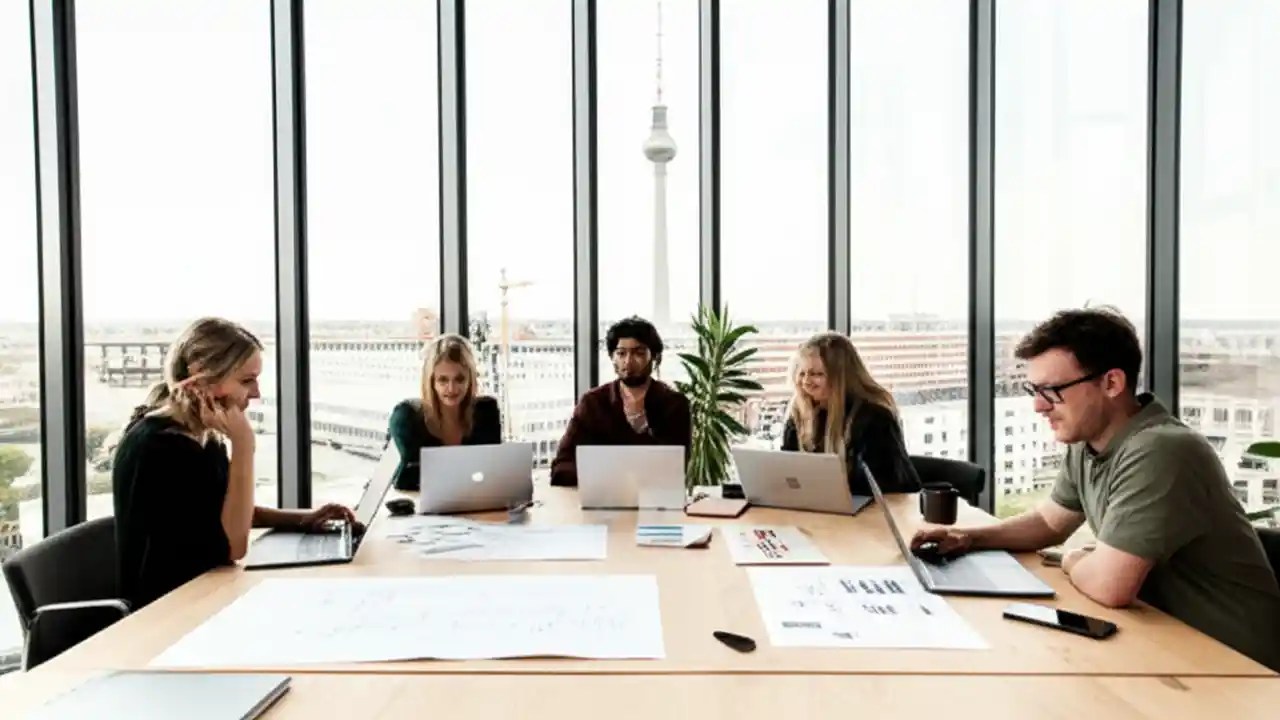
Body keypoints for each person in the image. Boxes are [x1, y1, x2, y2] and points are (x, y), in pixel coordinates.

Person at [911, 307, 1280, 671]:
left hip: (1236, 663)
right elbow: (1050, 523)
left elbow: (1109, 585)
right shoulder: (1089, 442)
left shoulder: (1161, 450)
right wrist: (968, 537)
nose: (1039, 406)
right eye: (1034, 390)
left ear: (1112, 383)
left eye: (1052, 391)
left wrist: (1073, 559)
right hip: (1161, 634)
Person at [112, 317, 357, 611]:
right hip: (171, 610)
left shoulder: (202, 437)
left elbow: (226, 511)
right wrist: (244, 446)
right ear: (201, 377)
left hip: (205, 592)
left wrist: (304, 518)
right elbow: (232, 545)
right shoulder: (159, 448)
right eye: (246, 380)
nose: (255, 393)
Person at [551, 316, 691, 487]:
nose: (628, 361)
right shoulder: (593, 403)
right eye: (621, 353)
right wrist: (604, 477)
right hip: (601, 498)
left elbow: (676, 466)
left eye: (638, 353)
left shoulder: (674, 404)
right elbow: (562, 465)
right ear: (612, 357)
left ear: (655, 357)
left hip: (656, 501)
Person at [780, 332, 921, 496]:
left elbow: (884, 484)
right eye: (802, 373)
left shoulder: (874, 418)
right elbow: (787, 469)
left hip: (871, 511)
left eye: (817, 374)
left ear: (841, 377)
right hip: (817, 509)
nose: (806, 382)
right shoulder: (799, 414)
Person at [387, 333, 501, 491]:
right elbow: (407, 480)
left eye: (460, 379)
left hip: (476, 504)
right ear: (431, 381)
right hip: (421, 508)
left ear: (471, 379)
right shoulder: (408, 418)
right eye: (443, 380)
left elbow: (493, 472)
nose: (452, 389)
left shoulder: (485, 413)